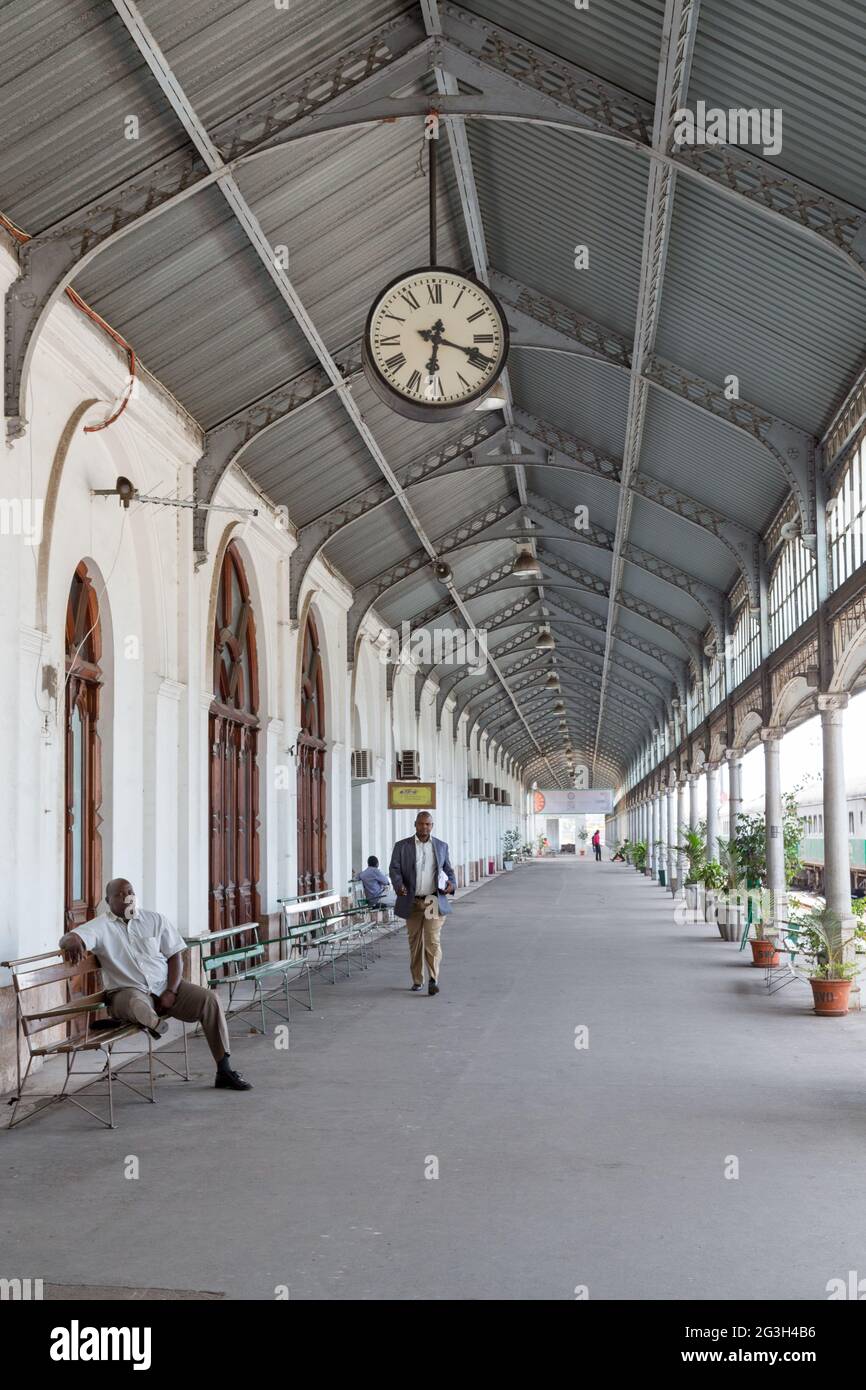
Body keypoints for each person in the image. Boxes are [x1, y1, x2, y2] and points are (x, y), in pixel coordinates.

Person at [59, 878, 252, 1091]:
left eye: (129, 891)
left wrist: (171, 990)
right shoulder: (101, 926)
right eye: (119, 895)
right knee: (136, 1002)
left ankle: (224, 1069)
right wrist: (73, 941)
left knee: (210, 999)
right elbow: (69, 938)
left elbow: (175, 956)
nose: (126, 897)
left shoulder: (154, 919)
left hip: (163, 986)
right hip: (126, 991)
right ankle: (152, 1021)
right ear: (107, 900)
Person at [389, 812, 456, 995]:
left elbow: (448, 871)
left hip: (432, 899)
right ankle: (417, 980)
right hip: (412, 901)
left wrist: (451, 884)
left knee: (432, 941)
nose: (424, 827)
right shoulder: (402, 846)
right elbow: (394, 869)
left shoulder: (441, 846)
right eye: (421, 824)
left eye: (428, 824)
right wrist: (398, 884)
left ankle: (433, 979)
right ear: (415, 825)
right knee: (415, 942)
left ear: (432, 826)